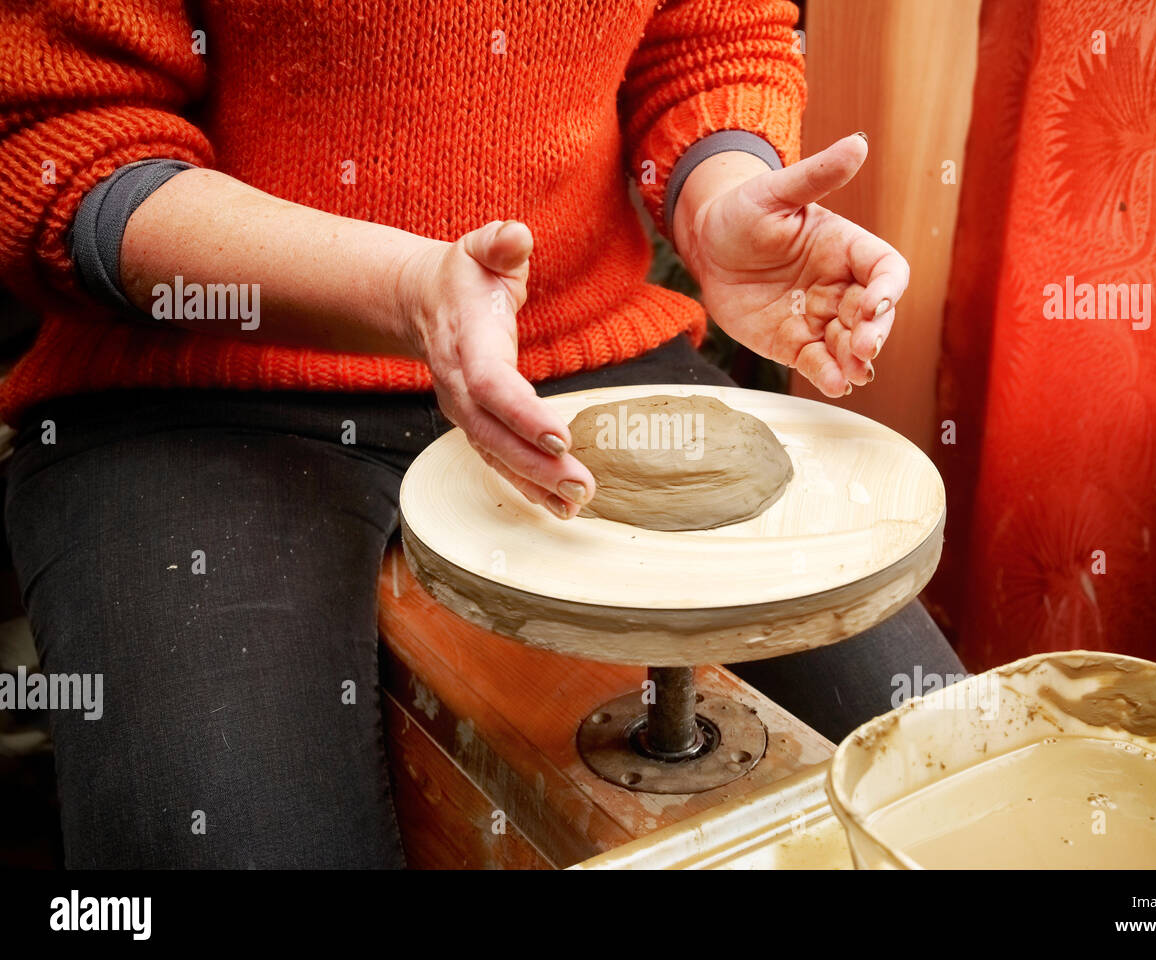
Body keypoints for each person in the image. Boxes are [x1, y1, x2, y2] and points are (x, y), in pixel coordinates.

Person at [0, 0, 962, 867]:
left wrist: (716, 203)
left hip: (572, 361)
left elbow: (702, 35)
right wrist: (408, 293)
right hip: (197, 382)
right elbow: (66, 148)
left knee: (954, 779)